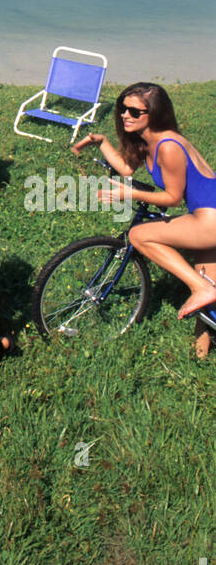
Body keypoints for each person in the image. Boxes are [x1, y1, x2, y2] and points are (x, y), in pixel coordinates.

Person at [73, 82, 216, 359]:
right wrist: (102, 142)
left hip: (210, 219)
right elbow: (126, 168)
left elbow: (173, 198)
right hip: (206, 216)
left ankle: (199, 288)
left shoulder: (168, 145)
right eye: (123, 109)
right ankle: (200, 359)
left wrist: (130, 193)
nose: (126, 115)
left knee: (139, 235)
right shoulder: (146, 142)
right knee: (209, 293)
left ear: (155, 114)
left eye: (135, 112)